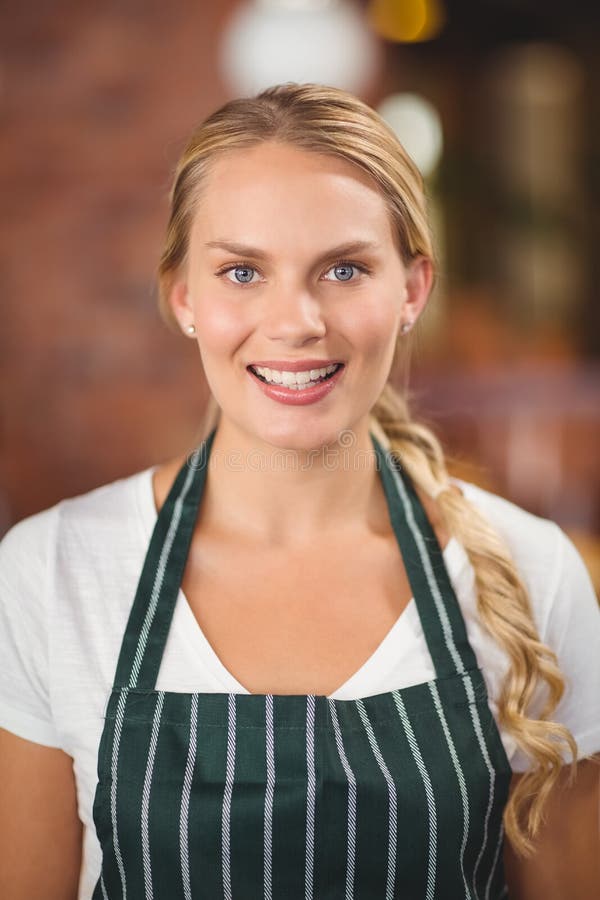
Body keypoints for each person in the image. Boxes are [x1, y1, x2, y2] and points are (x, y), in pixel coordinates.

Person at [1, 82, 599, 900]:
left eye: (345, 269)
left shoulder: (535, 573)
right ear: (185, 298)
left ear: (412, 291)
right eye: (243, 271)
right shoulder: (50, 573)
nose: (296, 322)